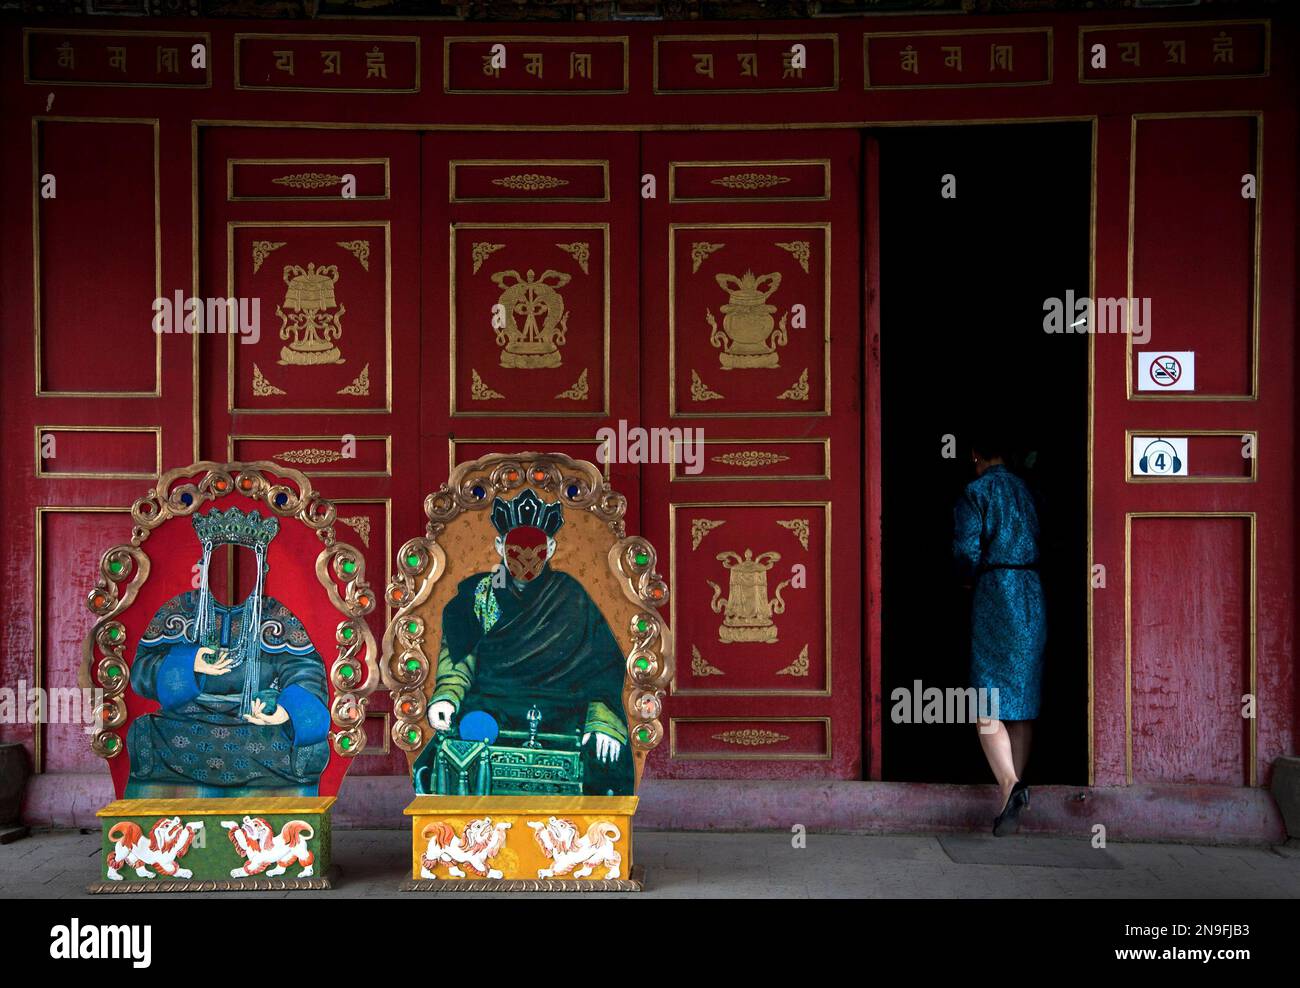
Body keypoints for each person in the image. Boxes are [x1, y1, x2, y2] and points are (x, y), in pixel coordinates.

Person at [414, 489, 633, 796]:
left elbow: (604, 665)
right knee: (447, 756)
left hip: (562, 709)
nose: (526, 559)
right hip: (493, 706)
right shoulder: (481, 593)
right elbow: (460, 656)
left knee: (604, 756)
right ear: (500, 545)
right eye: (516, 549)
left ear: (552, 547)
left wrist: (603, 721)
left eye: (536, 549)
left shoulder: (571, 596)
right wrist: (446, 697)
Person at [126, 507, 331, 798]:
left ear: (262, 570)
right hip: (189, 721)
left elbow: (305, 671)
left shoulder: (275, 617)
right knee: (146, 733)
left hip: (255, 720)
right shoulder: (181, 611)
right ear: (205, 566)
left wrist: (286, 709)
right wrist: (189, 663)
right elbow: (141, 673)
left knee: (307, 748)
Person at [953, 433, 1047, 836]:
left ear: (975, 453)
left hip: (996, 594)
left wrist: (967, 582)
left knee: (984, 701)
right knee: (1023, 700)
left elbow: (964, 551)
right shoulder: (1027, 490)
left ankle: (1010, 784)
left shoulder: (975, 492)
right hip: (1032, 591)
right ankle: (1013, 794)